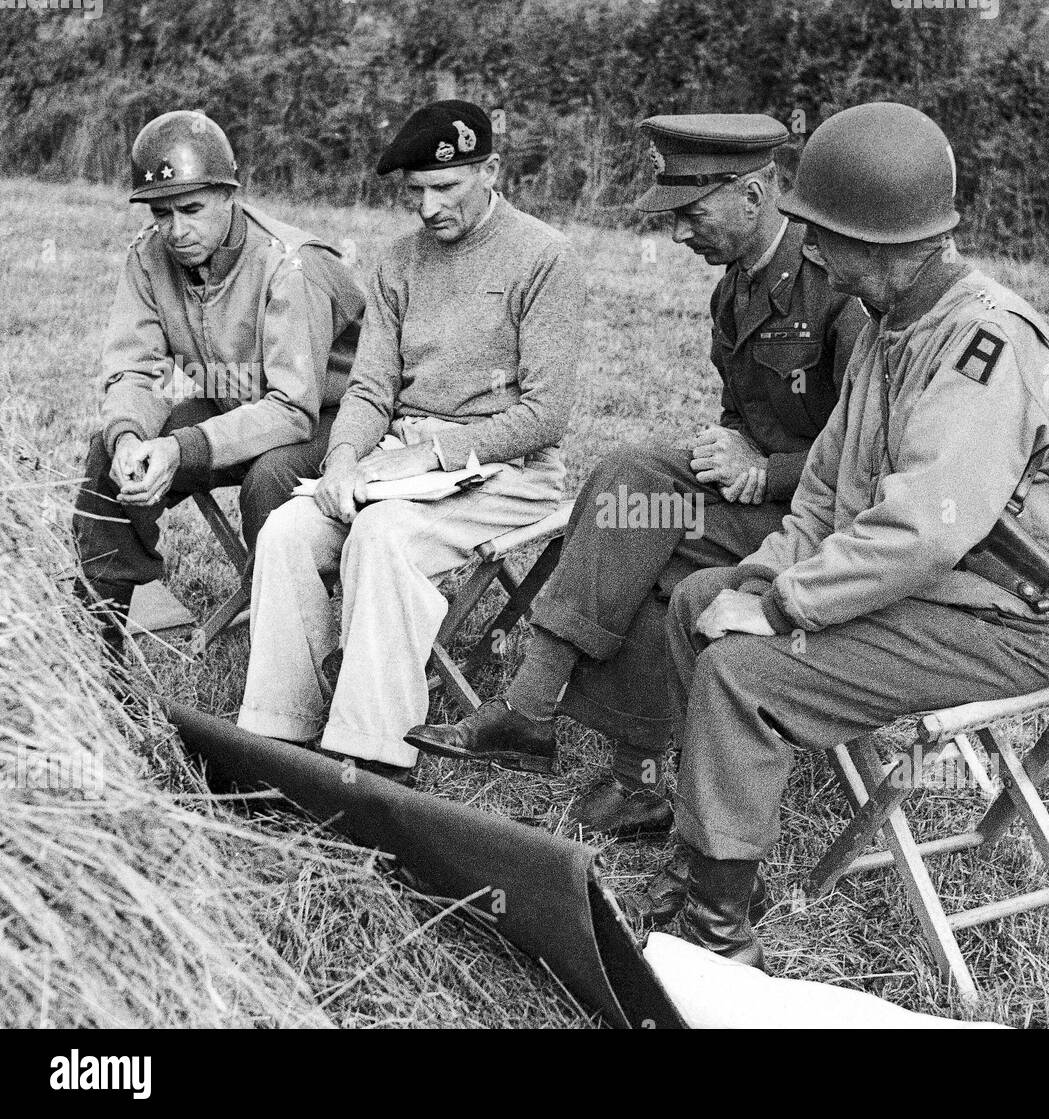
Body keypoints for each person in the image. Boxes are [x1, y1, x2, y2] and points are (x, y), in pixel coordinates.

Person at [636, 102, 1049, 970]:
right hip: (939, 592)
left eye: (825, 235)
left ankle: (718, 931)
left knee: (746, 670)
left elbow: (923, 529)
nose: (811, 249)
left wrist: (781, 610)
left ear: (885, 240)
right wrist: (760, 581)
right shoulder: (889, 328)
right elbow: (824, 495)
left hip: (1005, 621)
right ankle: (708, 856)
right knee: (703, 601)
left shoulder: (984, 342)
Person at [405, 114, 870, 838]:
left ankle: (611, 761)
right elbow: (743, 411)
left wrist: (769, 470)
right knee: (629, 477)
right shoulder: (734, 291)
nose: (679, 234)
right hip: (759, 501)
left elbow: (870, 454)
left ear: (752, 196)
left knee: (651, 547)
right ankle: (549, 721)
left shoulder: (837, 290)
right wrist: (731, 444)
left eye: (692, 214)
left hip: (828, 522)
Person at [237, 100, 587, 784]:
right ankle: (277, 738)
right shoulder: (398, 262)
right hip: (401, 463)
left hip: (509, 471)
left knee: (382, 535)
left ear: (491, 170)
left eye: (445, 188)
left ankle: (375, 759)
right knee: (285, 531)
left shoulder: (546, 256)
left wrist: (427, 454)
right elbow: (370, 388)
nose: (427, 208)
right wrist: (344, 459)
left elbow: (545, 416)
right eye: (415, 192)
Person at [74, 110, 365, 659]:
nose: (176, 230)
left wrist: (183, 447)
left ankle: (288, 651)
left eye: (191, 209)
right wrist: (130, 436)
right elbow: (135, 369)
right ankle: (97, 647)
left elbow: (293, 410)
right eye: (161, 213)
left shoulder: (289, 264)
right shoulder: (148, 256)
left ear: (229, 194)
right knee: (109, 454)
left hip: (330, 417)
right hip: (236, 402)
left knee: (271, 477)